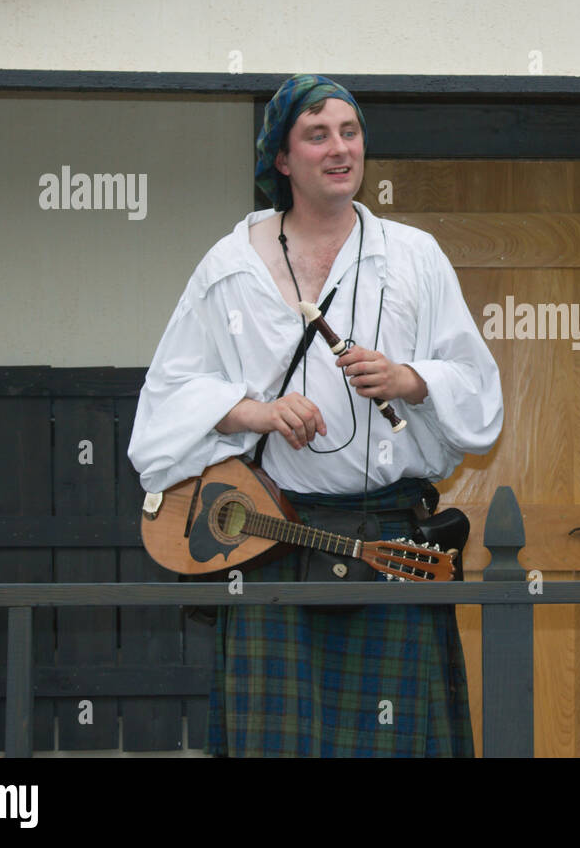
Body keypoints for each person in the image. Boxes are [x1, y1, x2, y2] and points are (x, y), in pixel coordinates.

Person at [128, 74, 503, 757]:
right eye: (317, 134)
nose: (340, 149)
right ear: (281, 157)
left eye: (350, 132)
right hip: (276, 540)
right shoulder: (229, 268)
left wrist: (408, 377)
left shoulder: (413, 257)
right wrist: (256, 413)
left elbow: (479, 389)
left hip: (392, 541)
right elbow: (164, 406)